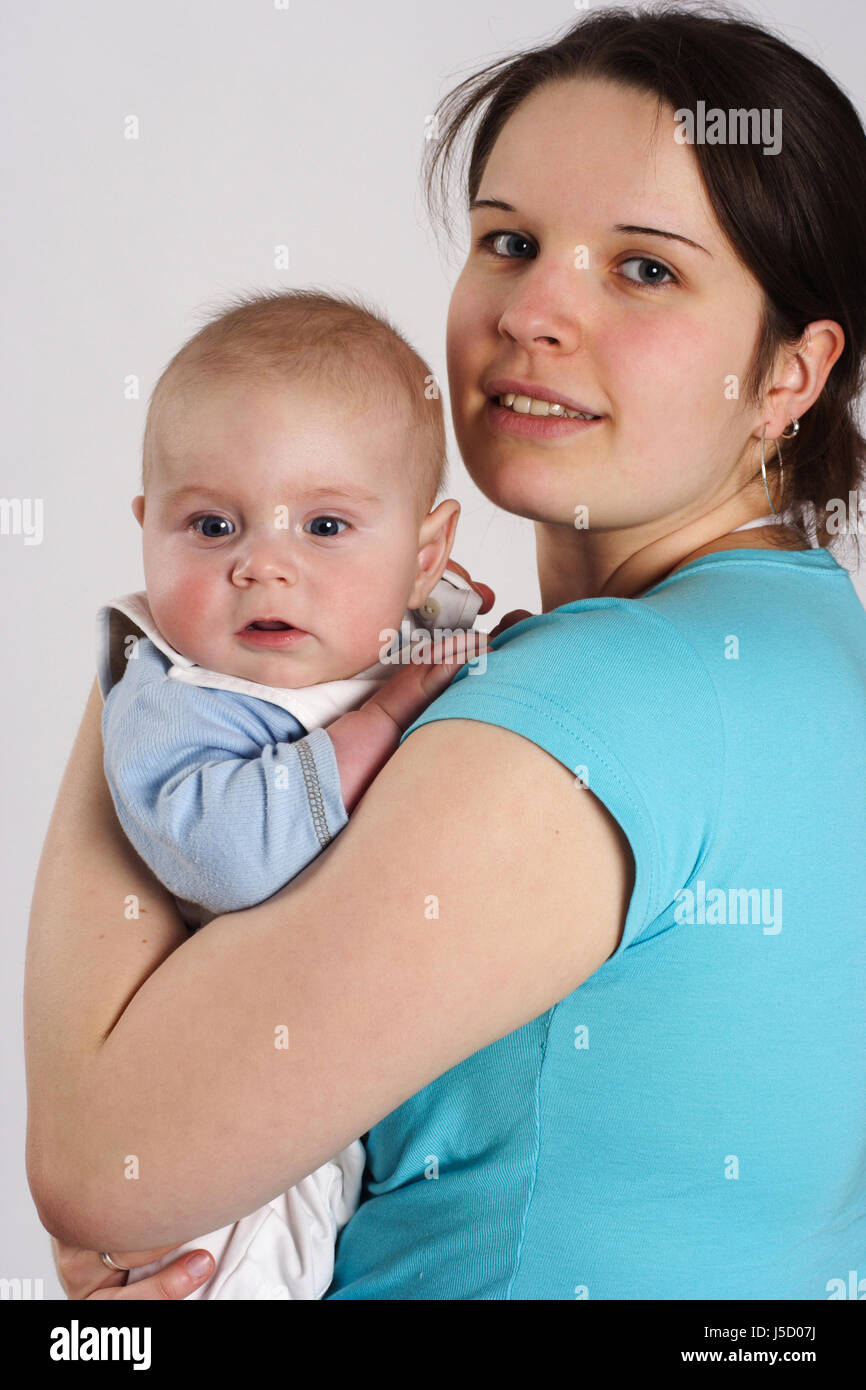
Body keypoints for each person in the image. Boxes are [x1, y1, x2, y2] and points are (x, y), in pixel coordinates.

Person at [27, 4, 866, 1301]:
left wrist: (165, 635)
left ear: (786, 375)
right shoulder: (806, 653)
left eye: (642, 268)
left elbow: (103, 1160)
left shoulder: (609, 691)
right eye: (509, 242)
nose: (534, 308)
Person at [95, 287, 491, 1298]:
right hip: (215, 1114)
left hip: (341, 1092)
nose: (262, 566)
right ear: (147, 531)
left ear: (424, 554)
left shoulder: (383, 633)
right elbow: (230, 858)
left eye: (323, 524)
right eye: (212, 524)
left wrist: (456, 631)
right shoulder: (175, 697)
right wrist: (387, 712)